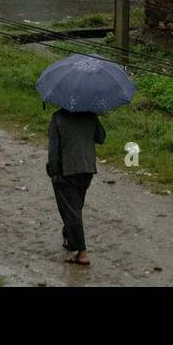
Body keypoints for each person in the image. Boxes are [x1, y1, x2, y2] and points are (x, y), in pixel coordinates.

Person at [46, 108, 106, 266]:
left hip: (67, 171)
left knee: (71, 210)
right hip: (87, 169)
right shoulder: (90, 114)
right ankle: (69, 237)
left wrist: (52, 171)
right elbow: (101, 138)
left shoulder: (57, 117)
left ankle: (82, 252)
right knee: (75, 206)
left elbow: (53, 150)